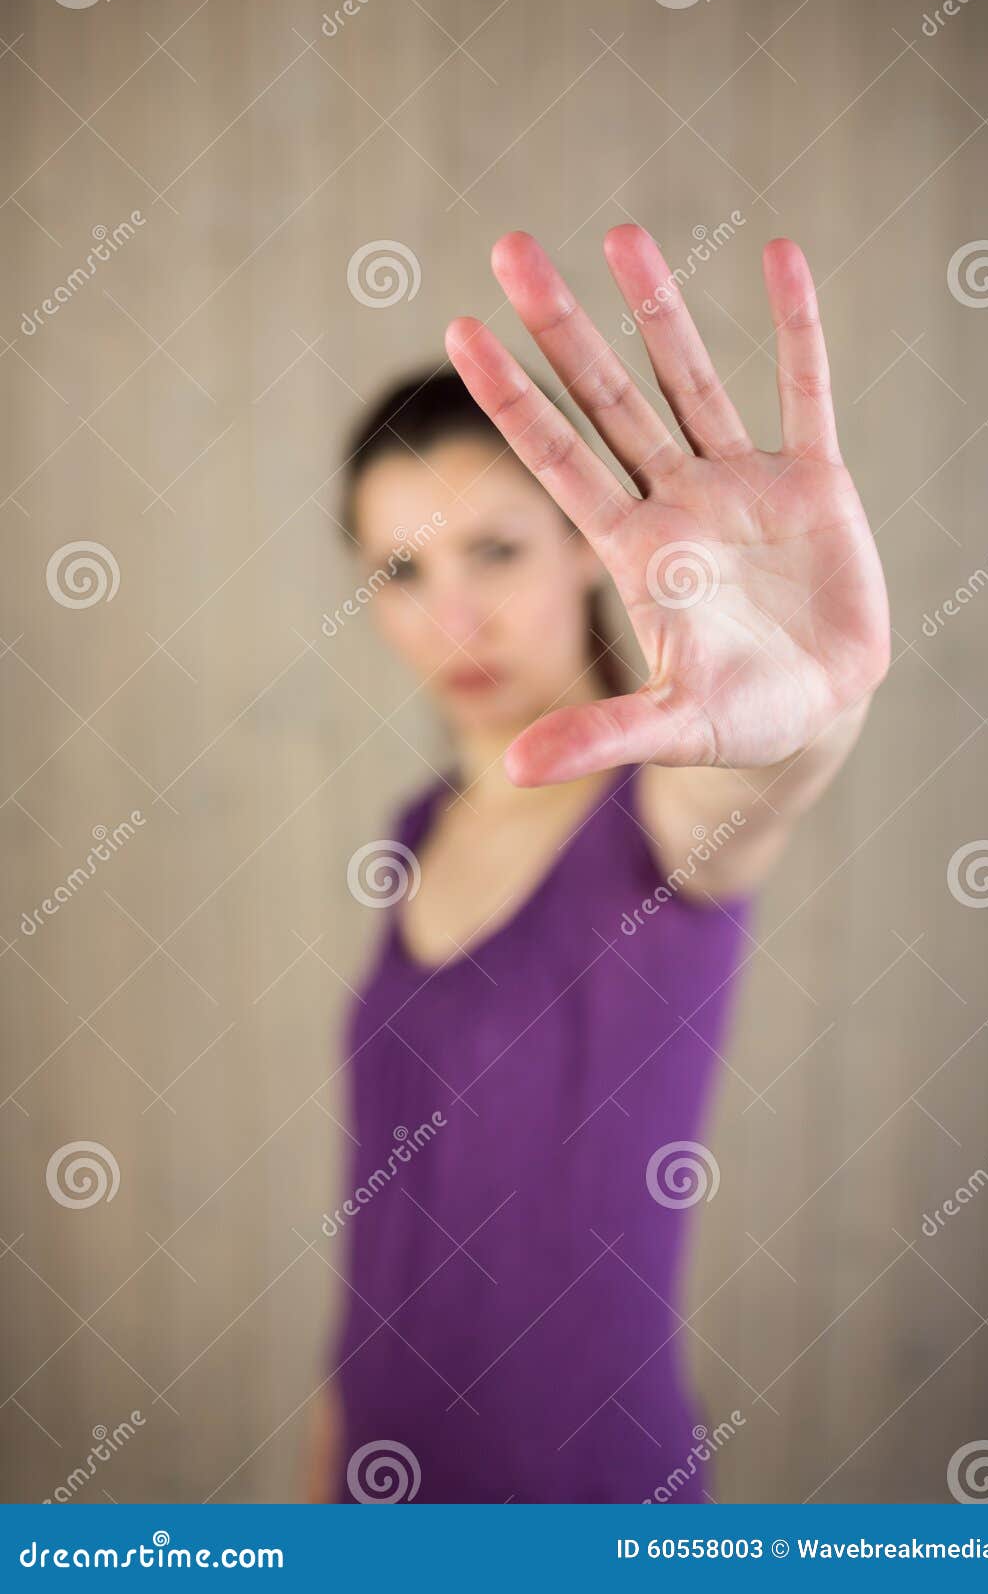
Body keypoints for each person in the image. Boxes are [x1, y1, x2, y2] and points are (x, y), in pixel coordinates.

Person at [305, 226, 890, 1503]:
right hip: (376, 1490)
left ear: (582, 543)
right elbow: (387, 1217)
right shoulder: (414, 831)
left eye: (495, 551)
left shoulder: (657, 814)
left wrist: (806, 706)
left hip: (584, 1498)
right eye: (401, 571)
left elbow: (754, 781)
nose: (451, 615)